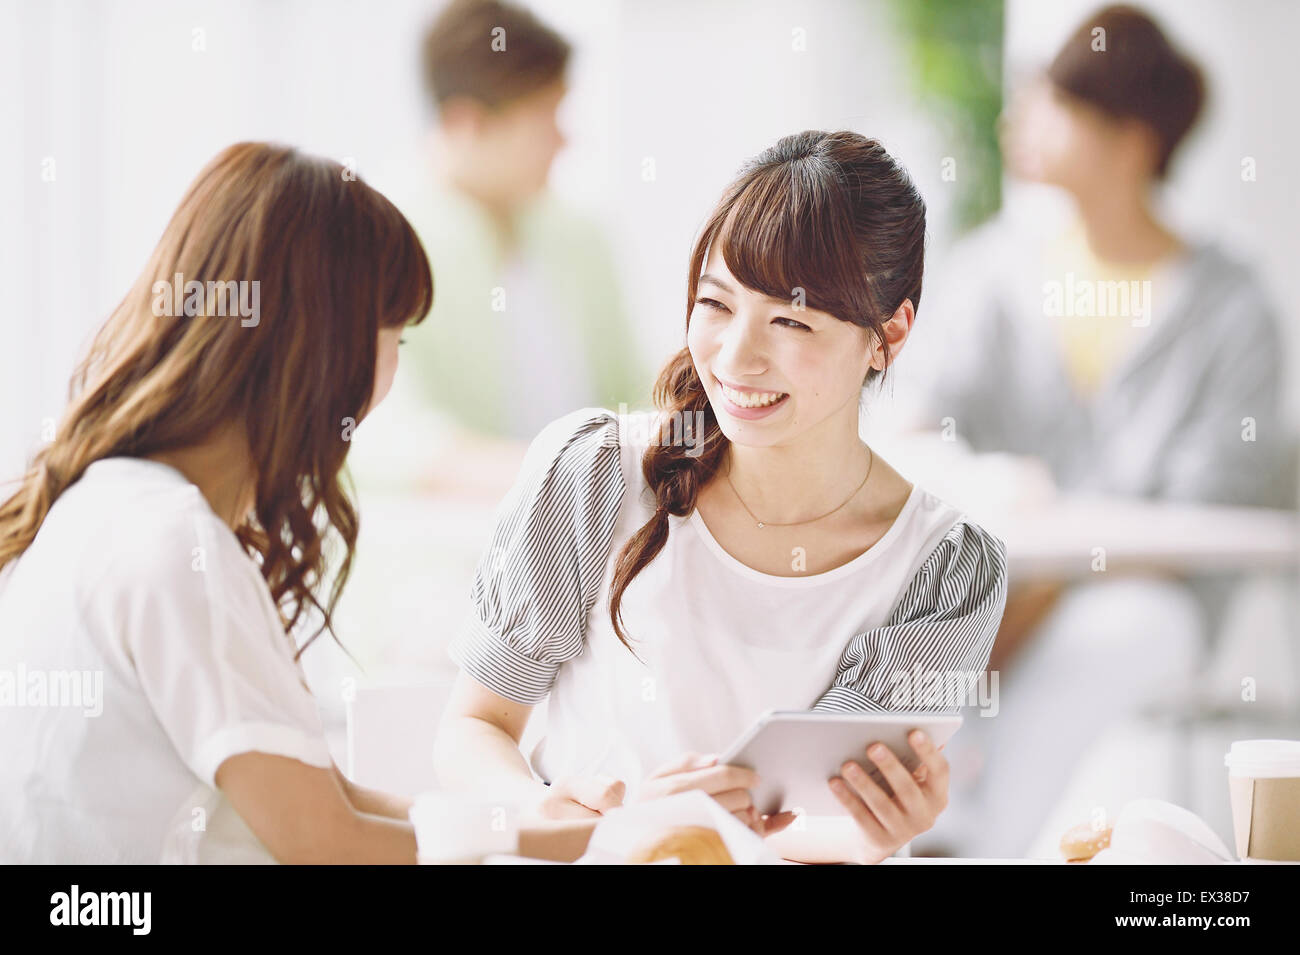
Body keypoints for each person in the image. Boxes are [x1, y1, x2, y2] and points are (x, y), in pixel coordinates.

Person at [433, 130, 1010, 865]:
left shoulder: (947, 566)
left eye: (791, 320)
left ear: (889, 333)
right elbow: (472, 728)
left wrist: (874, 830)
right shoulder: (594, 474)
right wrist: (544, 811)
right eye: (717, 304)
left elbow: (817, 818)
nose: (736, 357)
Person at [0, 143, 588, 864]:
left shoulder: (108, 508)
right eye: (393, 334)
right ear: (325, 346)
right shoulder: (176, 548)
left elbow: (331, 798)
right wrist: (566, 839)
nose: (392, 370)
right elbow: (324, 841)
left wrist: (546, 830)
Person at [902, 5, 1294, 857]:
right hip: (996, 584)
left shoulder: (1231, 308)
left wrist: (1054, 577)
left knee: (1113, 631)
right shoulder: (991, 277)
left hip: (1150, 595)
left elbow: (1208, 509)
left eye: (1057, 105)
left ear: (1132, 140)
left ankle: (977, 845)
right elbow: (916, 428)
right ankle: (919, 825)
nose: (1020, 122)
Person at [400, 0, 646, 450]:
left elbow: (636, 393)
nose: (563, 139)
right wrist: (551, 478)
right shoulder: (384, 244)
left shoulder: (582, 237)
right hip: (463, 518)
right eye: (543, 117)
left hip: (609, 510)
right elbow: (392, 441)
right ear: (467, 122)